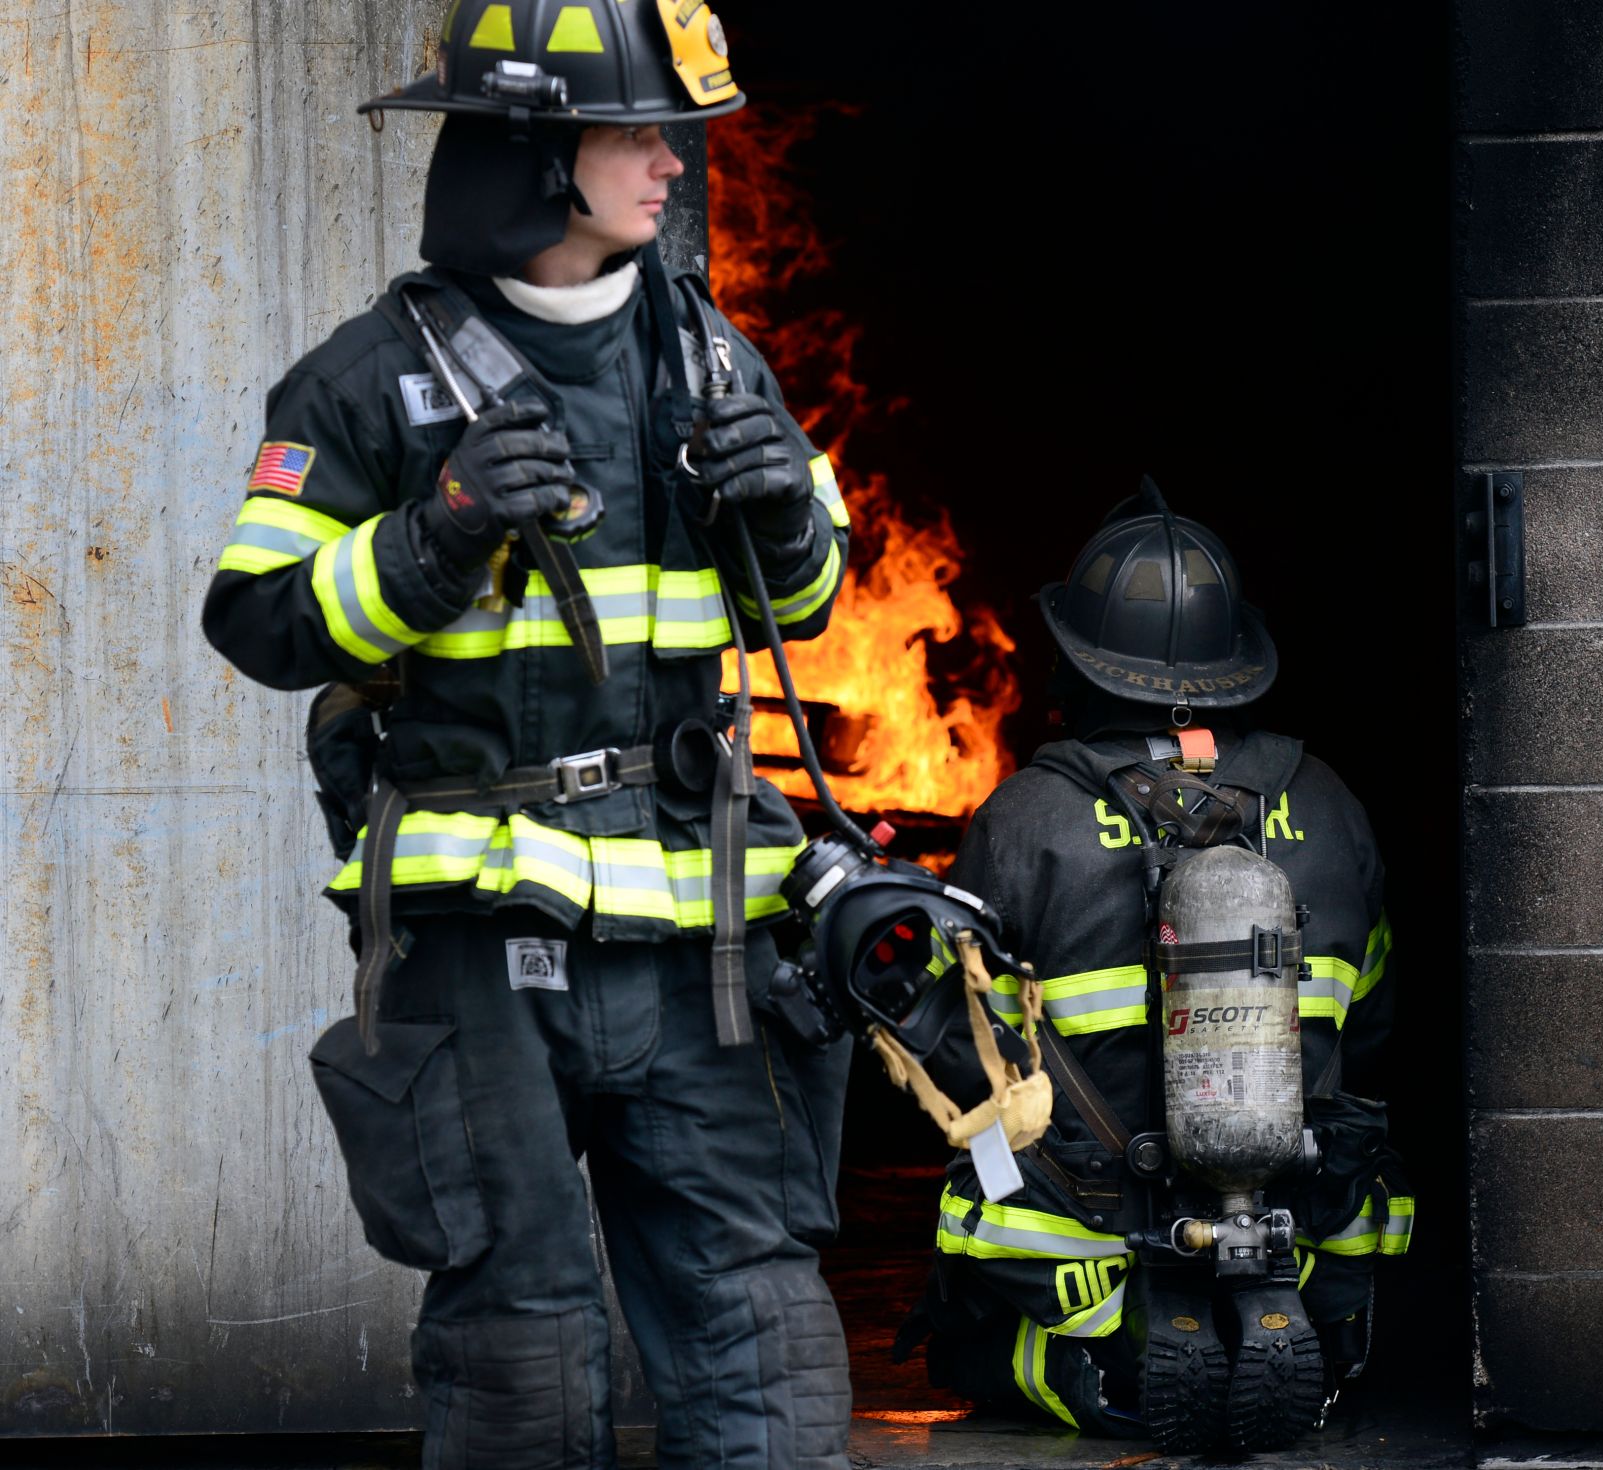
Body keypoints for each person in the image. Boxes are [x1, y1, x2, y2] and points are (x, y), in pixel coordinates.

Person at [201, 4, 854, 1465]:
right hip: (483, 938)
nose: (672, 166)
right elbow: (258, 620)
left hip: (703, 939)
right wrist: (433, 536)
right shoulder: (365, 381)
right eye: (636, 131)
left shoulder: (714, 361)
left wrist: (785, 520)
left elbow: (808, 602)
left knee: (762, 1322)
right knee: (523, 1328)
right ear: (533, 149)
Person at [903, 481, 1412, 1448]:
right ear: (1236, 662)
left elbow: (949, 1055)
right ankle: (1285, 1324)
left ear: (1077, 662)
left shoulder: (1023, 821)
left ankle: (1092, 1359)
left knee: (980, 1156)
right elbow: (1379, 1038)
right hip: (1293, 1242)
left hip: (1085, 1263)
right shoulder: (1335, 810)